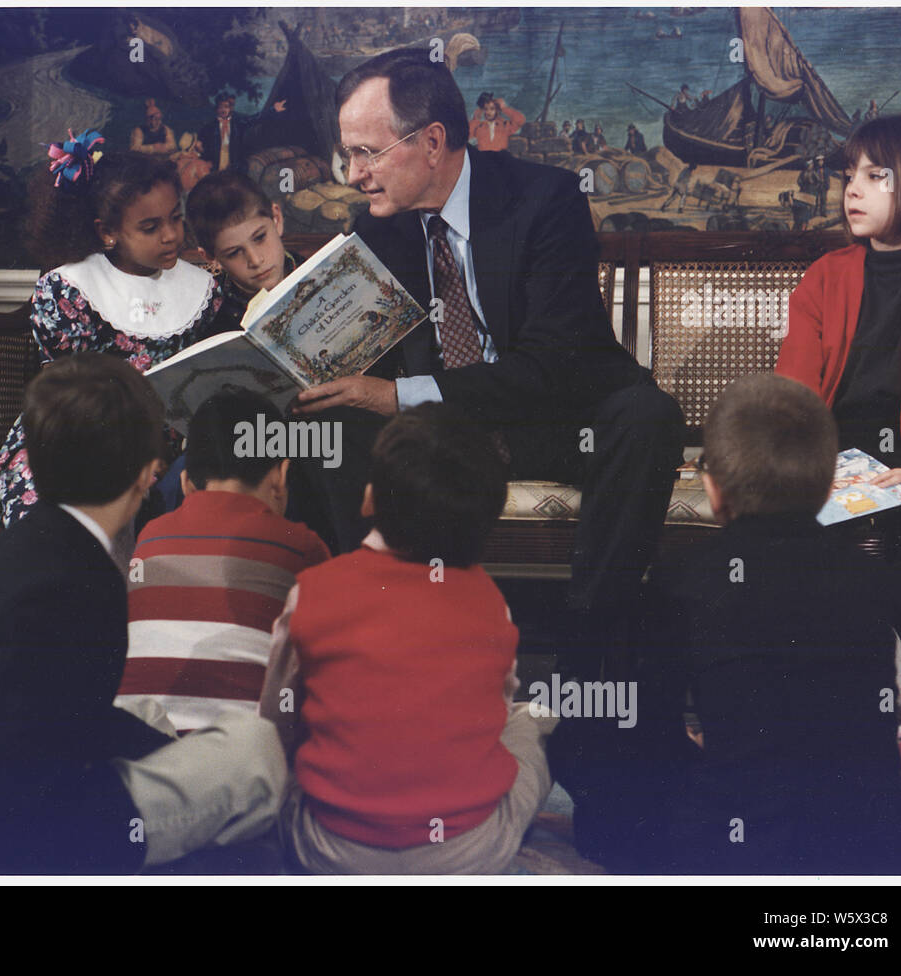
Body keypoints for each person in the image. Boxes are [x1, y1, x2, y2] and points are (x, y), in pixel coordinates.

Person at [297, 50, 684, 658]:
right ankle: (374, 639)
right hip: (444, 437)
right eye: (347, 155)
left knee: (646, 417)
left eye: (366, 152)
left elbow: (553, 363)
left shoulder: (545, 200)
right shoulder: (376, 228)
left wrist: (398, 395)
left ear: (431, 142)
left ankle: (594, 648)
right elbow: (358, 354)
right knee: (330, 426)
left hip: (553, 421)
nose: (353, 174)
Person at [0, 354, 287, 874]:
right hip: (5, 848)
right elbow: (17, 790)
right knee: (254, 747)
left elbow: (54, 716)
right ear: (149, 472)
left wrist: (160, 750)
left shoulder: (29, 548)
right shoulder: (75, 579)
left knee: (149, 717)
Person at [549, 375, 901, 874]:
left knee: (578, 741)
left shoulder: (682, 579)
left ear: (713, 487)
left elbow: (652, 734)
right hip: (866, 842)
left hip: (735, 846)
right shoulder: (872, 577)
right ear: (828, 487)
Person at [261, 404, 557, 873]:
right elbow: (495, 718)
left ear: (368, 499)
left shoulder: (312, 591)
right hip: (468, 854)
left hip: (331, 850)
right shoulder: (491, 603)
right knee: (533, 719)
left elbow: (277, 718)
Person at [0, 146, 229, 531]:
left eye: (176, 219)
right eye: (150, 228)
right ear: (108, 232)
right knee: (54, 512)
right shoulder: (71, 289)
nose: (170, 236)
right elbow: (68, 398)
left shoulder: (203, 290)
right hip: (76, 436)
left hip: (164, 445)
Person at [777, 114, 901, 663]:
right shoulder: (826, 275)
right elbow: (793, 397)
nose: (854, 190)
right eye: (849, 176)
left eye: (875, 174)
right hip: (839, 458)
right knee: (789, 549)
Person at [116, 389, 330, 733]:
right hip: (242, 754)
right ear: (280, 477)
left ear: (186, 484)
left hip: (140, 748)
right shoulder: (301, 546)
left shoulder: (150, 536)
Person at [186, 169, 303, 327]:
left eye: (260, 237)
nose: (255, 260)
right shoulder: (208, 318)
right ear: (210, 257)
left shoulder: (319, 271)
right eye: (234, 253)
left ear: (277, 219)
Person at [198, 92, 287, 174]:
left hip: (234, 165)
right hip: (215, 165)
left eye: (226, 107)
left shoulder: (238, 123)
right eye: (220, 107)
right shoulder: (209, 127)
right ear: (216, 109)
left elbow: (255, 118)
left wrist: (273, 109)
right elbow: (202, 146)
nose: (223, 110)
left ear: (230, 108)